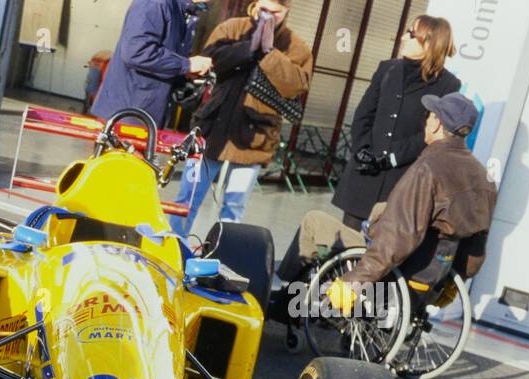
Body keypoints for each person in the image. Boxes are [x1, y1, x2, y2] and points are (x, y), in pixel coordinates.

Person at [269, 93, 495, 320]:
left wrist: (356, 278)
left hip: (390, 265)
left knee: (313, 220)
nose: (426, 120)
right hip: (431, 277)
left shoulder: (427, 168)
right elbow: (476, 246)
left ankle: (287, 299)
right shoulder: (483, 178)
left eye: (430, 116)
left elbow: (399, 236)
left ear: (437, 124)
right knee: (380, 209)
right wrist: (454, 282)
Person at [169, 0, 312, 238]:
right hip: (212, 128)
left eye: (275, 12)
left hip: (255, 135)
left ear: (287, 11)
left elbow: (297, 85)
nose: (268, 16)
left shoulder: (296, 47)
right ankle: (173, 245)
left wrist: (269, 53)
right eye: (263, 9)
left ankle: (220, 253)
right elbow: (210, 59)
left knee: (234, 205)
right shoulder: (232, 27)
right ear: (255, 4)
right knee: (188, 197)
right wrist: (249, 48)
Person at [332, 15, 460, 229]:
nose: (402, 38)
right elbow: (363, 115)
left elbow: (433, 134)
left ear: (430, 42)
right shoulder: (386, 68)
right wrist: (362, 150)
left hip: (400, 182)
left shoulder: (448, 85)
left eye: (410, 34)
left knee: (380, 253)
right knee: (345, 245)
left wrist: (391, 157)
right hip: (364, 175)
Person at [89, 0, 212, 128]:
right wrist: (186, 65)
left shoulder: (183, 10)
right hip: (126, 116)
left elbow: (162, 59)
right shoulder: (155, 3)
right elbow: (137, 52)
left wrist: (184, 75)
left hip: (145, 115)